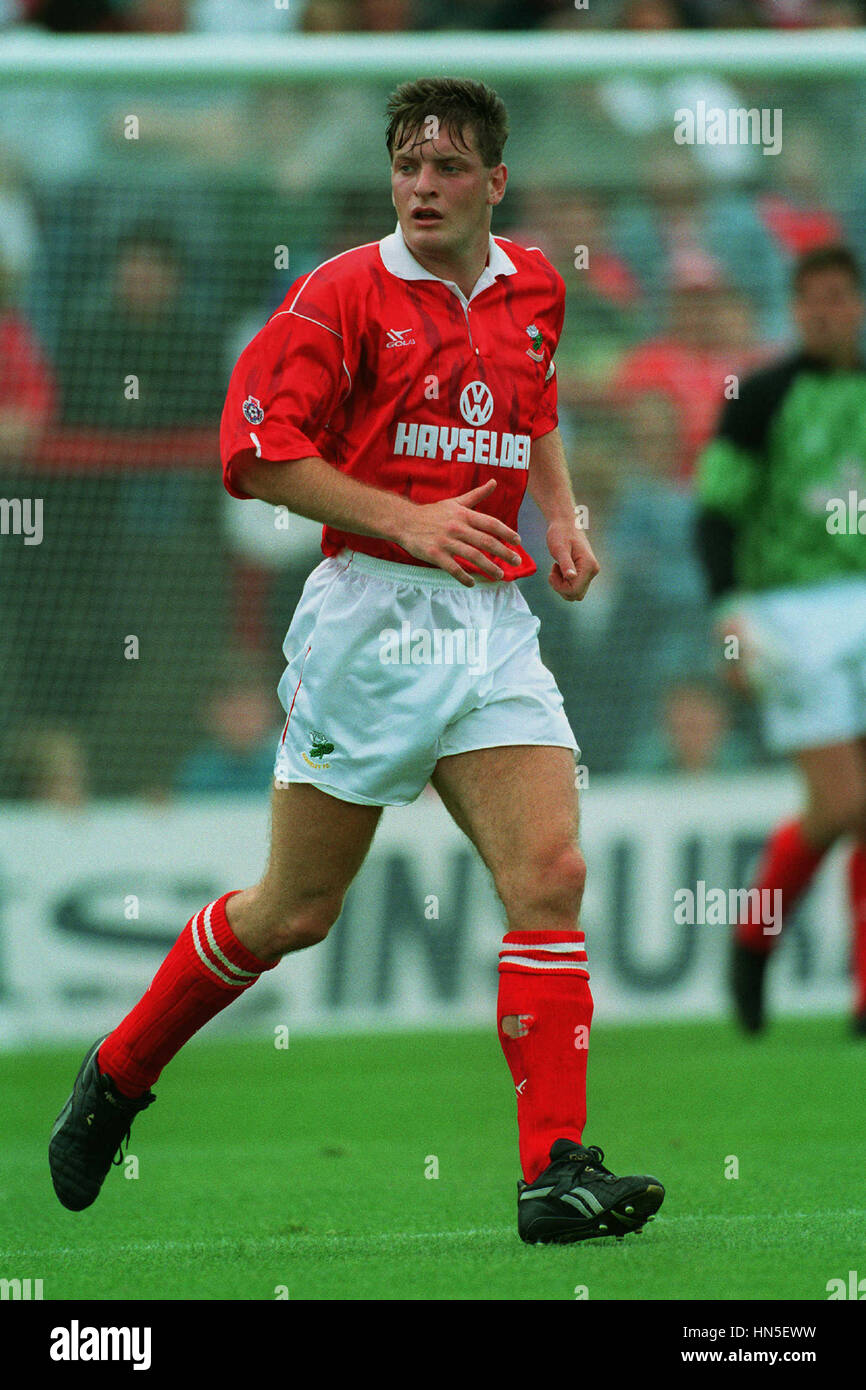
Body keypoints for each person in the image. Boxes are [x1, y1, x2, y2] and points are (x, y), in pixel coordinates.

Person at [49, 77, 665, 1244]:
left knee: (552, 875)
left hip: (489, 619)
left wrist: (565, 512)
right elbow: (253, 455)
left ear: (494, 181)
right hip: (370, 624)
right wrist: (406, 518)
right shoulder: (338, 294)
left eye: (446, 168)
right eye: (405, 166)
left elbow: (530, 409)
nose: (421, 186)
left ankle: (551, 1174)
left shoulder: (535, 285)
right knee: (293, 911)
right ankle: (120, 1071)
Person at [695, 243, 866, 1035]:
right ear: (796, 310)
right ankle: (753, 941)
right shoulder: (761, 396)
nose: (824, 312)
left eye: (838, 297)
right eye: (811, 300)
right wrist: (729, 613)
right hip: (791, 616)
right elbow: (715, 513)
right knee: (843, 802)